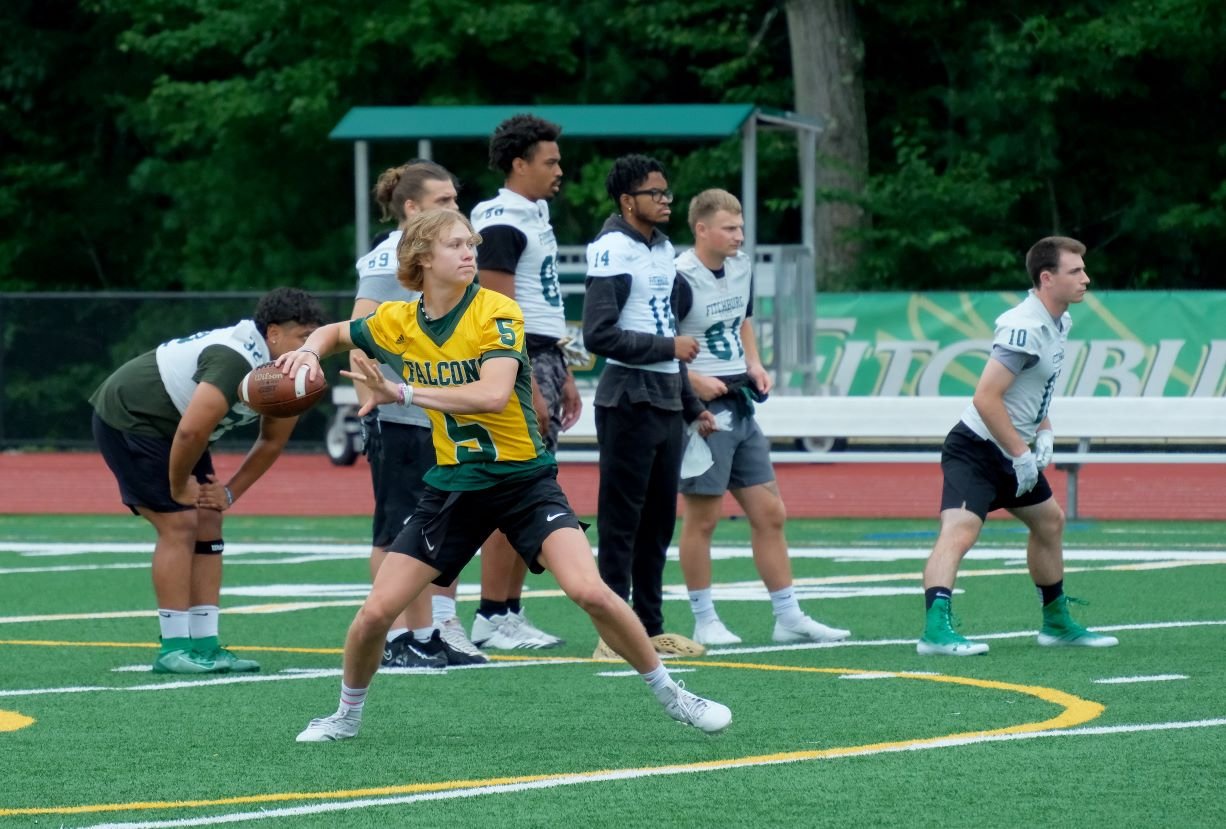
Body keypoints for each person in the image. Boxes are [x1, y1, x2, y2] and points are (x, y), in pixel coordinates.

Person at [286, 209, 731, 741]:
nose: (470, 252)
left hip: (523, 480)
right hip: (455, 485)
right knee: (375, 613)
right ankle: (346, 715)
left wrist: (401, 392)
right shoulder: (399, 320)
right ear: (423, 258)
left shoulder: (496, 309)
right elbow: (336, 331)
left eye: (471, 243)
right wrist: (307, 354)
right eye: (455, 245)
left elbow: (492, 395)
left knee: (589, 591)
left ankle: (674, 695)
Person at [89, 288, 327, 673]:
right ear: (272, 334)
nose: (309, 346)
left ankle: (206, 644)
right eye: (302, 336)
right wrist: (181, 485)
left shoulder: (297, 370)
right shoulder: (235, 358)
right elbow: (190, 433)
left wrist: (228, 493)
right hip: (134, 415)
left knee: (209, 518)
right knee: (180, 522)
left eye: (313, 337)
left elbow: (270, 442)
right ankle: (173, 648)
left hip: (182, 429)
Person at [917, 236, 1119, 655]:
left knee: (1049, 522)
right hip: (976, 447)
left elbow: (1029, 391)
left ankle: (1056, 623)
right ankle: (936, 630)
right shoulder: (1024, 326)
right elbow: (986, 398)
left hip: (1011, 447)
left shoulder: (1059, 322)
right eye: (1075, 271)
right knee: (960, 530)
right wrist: (1022, 453)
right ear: (1047, 278)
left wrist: (1043, 430)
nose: (1086, 278)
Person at [674, 189, 851, 646]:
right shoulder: (678, 276)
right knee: (703, 519)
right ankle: (703, 617)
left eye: (740, 228)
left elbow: (743, 320)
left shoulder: (742, 266)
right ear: (702, 229)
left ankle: (788, 615)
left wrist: (754, 363)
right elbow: (661, 342)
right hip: (702, 413)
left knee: (770, 513)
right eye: (729, 228)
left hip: (739, 402)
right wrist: (693, 384)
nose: (738, 236)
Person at [352, 160, 487, 669]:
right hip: (403, 416)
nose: (457, 208)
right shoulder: (390, 258)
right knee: (396, 528)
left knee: (446, 522)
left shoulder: (446, 255)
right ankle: (399, 636)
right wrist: (386, 394)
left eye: (456, 198)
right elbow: (360, 334)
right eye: (443, 201)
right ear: (411, 208)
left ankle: (435, 630)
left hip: (436, 410)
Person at [582, 155, 716, 660]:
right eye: (654, 193)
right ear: (626, 201)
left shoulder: (660, 249)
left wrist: (690, 406)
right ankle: (612, 634)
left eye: (667, 193)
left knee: (658, 523)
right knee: (622, 522)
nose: (664, 200)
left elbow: (668, 330)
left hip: (662, 399)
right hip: (627, 398)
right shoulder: (613, 248)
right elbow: (599, 334)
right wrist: (668, 350)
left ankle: (650, 628)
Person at [467, 113, 578, 650]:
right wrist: (527, 382)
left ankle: (507, 610)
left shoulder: (532, 212)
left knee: (530, 484)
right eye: (550, 161)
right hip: (518, 359)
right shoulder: (501, 218)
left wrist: (566, 370)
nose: (560, 170)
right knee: (514, 487)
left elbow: (543, 300)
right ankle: (492, 613)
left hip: (543, 355)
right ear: (519, 164)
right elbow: (499, 306)